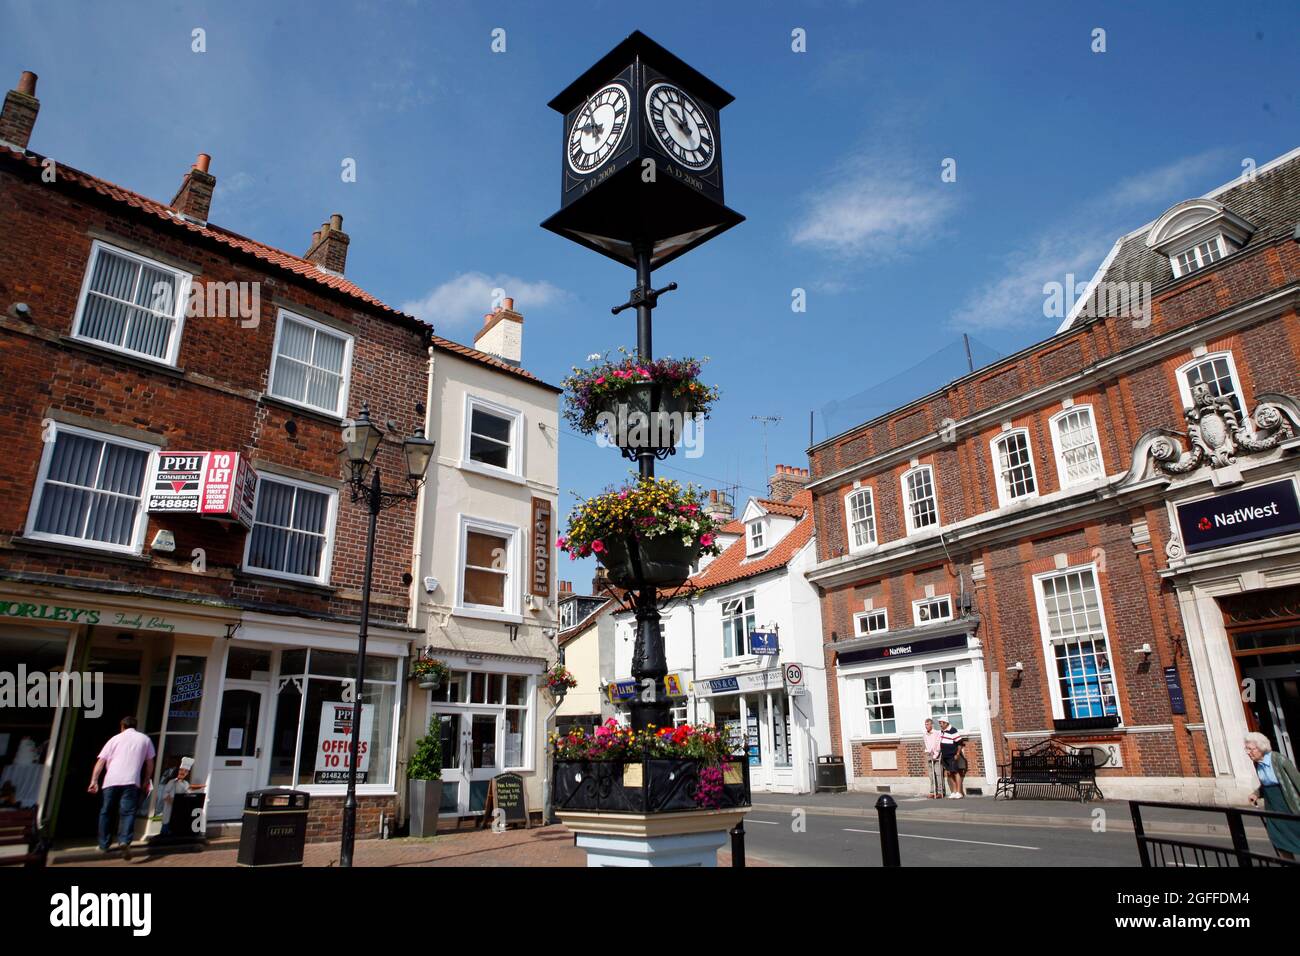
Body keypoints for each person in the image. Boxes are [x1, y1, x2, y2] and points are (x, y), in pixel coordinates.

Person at [88, 715, 155, 858]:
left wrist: (94, 780)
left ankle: (103, 844)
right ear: (135, 726)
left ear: (122, 726)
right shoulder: (145, 739)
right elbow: (150, 763)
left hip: (111, 780)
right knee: (128, 813)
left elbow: (101, 762)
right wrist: (146, 780)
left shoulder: (114, 739)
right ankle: (124, 840)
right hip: (131, 781)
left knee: (106, 811)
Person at [1245, 731, 1300, 861]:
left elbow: (1297, 781)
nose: (1248, 752)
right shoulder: (1257, 763)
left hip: (1289, 805)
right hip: (1271, 807)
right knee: (1278, 840)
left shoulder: (1279, 760)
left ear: (1261, 748)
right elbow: (1266, 784)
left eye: (1250, 749)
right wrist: (1256, 793)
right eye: (1246, 749)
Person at [159, 757, 205, 837]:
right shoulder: (172, 782)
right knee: (167, 825)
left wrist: (200, 787)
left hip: (179, 810)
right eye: (181, 770)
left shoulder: (185, 783)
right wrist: (171, 800)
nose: (183, 772)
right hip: (170, 809)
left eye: (185, 771)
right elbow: (165, 794)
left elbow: (188, 789)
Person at [939, 718, 966, 798]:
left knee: (955, 772)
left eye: (941, 723)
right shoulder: (942, 731)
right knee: (949, 773)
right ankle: (954, 791)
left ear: (946, 723)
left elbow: (960, 743)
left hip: (952, 755)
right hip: (945, 755)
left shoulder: (952, 730)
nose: (940, 725)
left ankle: (959, 792)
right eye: (940, 723)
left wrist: (957, 754)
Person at [923, 718, 945, 798]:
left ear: (932, 725)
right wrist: (929, 752)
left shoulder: (937, 733)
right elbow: (926, 744)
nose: (926, 726)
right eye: (925, 724)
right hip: (929, 754)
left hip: (937, 754)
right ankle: (932, 791)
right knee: (931, 774)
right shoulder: (925, 734)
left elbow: (938, 744)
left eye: (928, 724)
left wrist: (935, 754)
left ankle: (940, 791)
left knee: (938, 773)